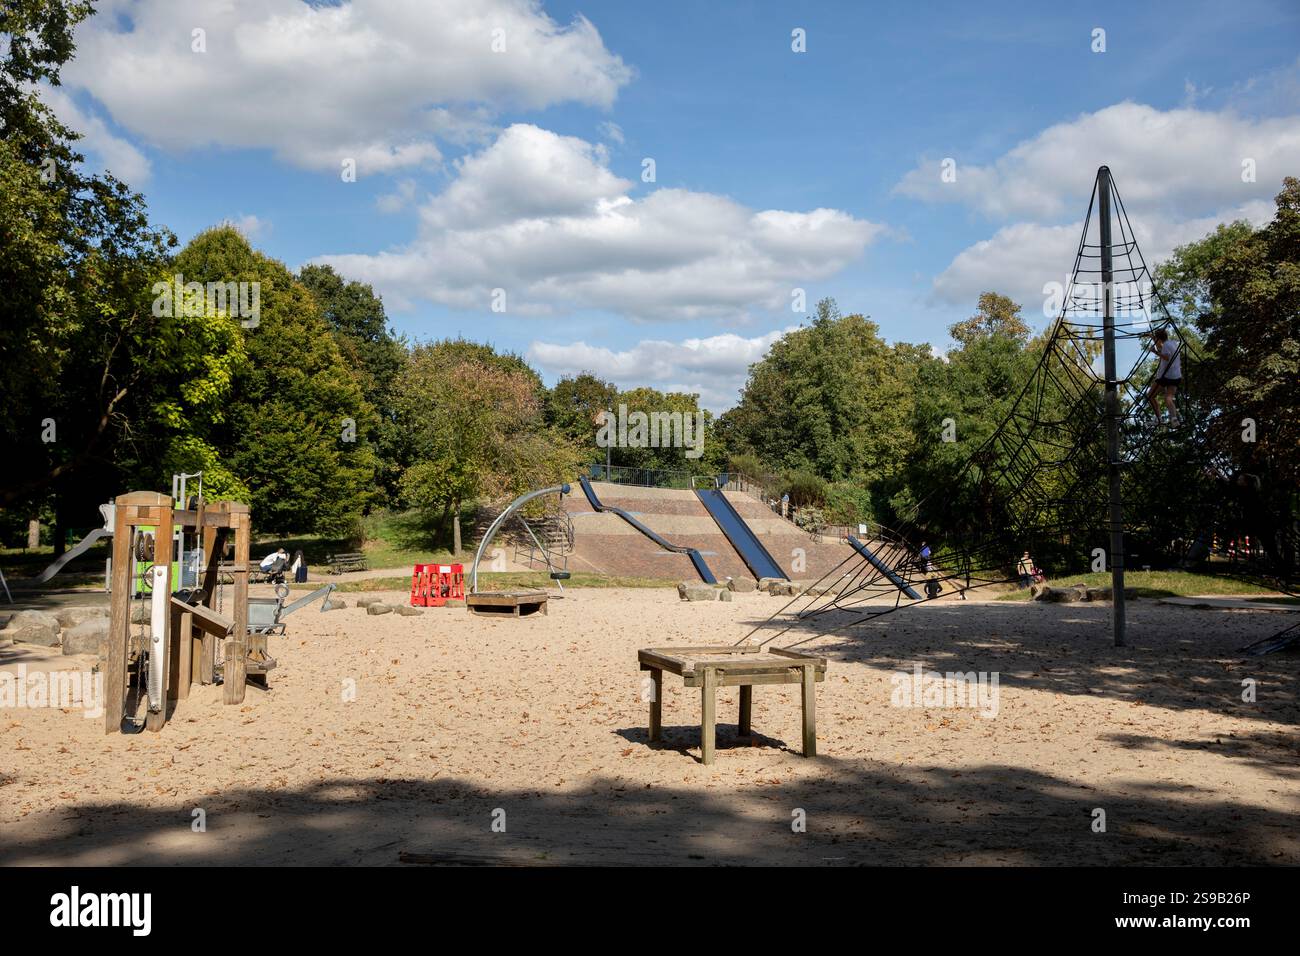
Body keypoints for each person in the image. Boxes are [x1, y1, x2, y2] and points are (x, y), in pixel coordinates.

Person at [1148, 327, 1182, 427]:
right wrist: (1152, 337)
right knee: (1168, 398)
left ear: (1159, 338)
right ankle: (1174, 420)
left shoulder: (1166, 346)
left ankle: (1159, 419)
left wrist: (1154, 352)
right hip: (1176, 376)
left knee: (1150, 396)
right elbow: (1160, 345)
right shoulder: (1173, 343)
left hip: (1165, 376)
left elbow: (1166, 357)